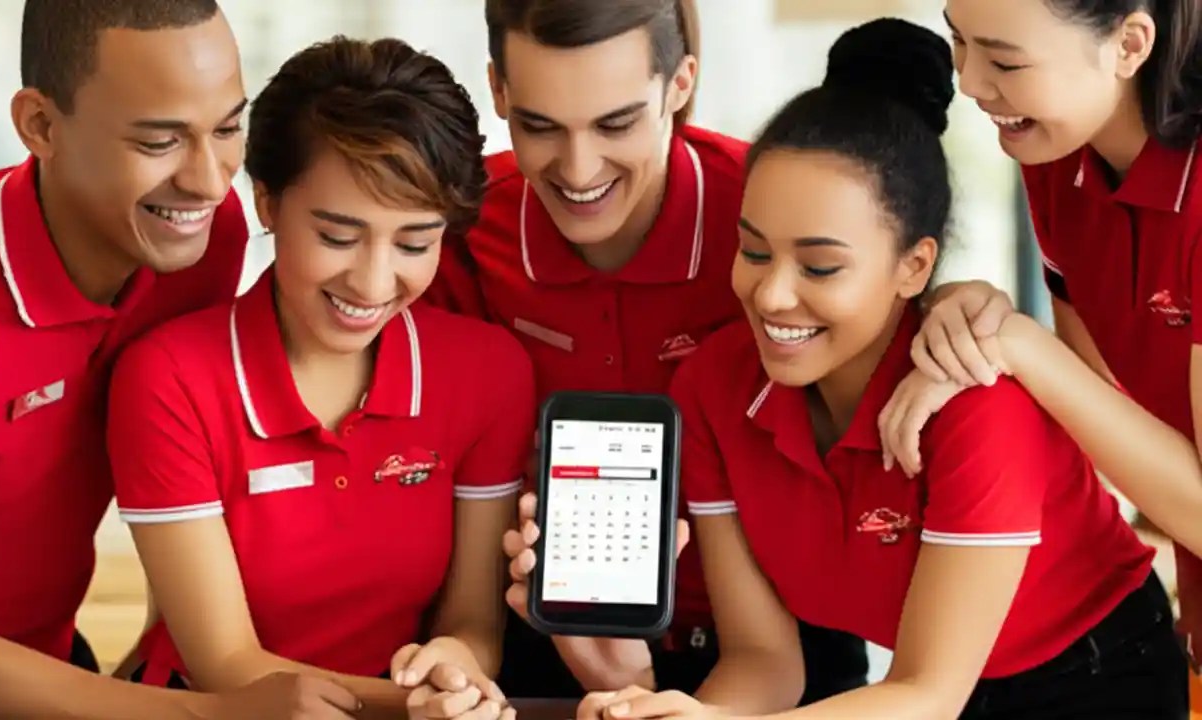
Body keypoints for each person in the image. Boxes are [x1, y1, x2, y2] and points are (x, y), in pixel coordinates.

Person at [570, 17, 1189, 720]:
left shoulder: (980, 404)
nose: (771, 296)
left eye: (820, 267)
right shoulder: (713, 387)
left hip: (1097, 681)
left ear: (914, 266)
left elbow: (929, 693)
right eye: (754, 251)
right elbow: (763, 661)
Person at [0, 1, 356, 717]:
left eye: (228, 129)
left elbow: (172, 460)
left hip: (54, 669)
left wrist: (161, 661)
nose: (210, 181)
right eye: (160, 141)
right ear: (41, 125)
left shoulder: (199, 238)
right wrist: (207, 713)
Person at [425, 0, 868, 701]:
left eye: (616, 123)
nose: (578, 169)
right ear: (499, 91)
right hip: (548, 636)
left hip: (787, 642)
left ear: (680, 83)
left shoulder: (770, 216)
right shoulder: (459, 228)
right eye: (539, 126)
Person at [107, 35, 532, 720]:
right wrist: (415, 705)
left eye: (415, 242)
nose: (373, 282)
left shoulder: (487, 372)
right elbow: (228, 664)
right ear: (267, 202)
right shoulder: (169, 378)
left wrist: (456, 671)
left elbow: (473, 625)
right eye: (337, 237)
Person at [876, 0, 1202, 706]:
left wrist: (1018, 341)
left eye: (1005, 60)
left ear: (1130, 44)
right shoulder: (1058, 161)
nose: (969, 81)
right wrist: (966, 324)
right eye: (959, 42)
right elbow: (1101, 409)